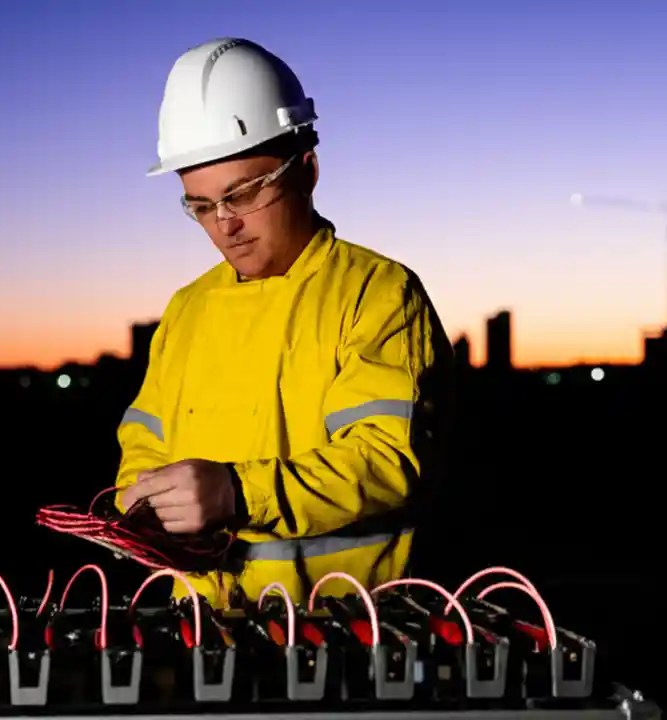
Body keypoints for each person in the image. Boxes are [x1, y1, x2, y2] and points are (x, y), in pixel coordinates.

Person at [115, 37, 453, 609]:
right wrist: (142, 501)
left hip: (342, 627)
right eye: (201, 206)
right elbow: (145, 439)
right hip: (201, 622)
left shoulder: (377, 293)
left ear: (307, 171)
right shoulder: (187, 308)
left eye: (243, 193)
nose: (225, 225)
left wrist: (237, 493)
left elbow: (385, 460)